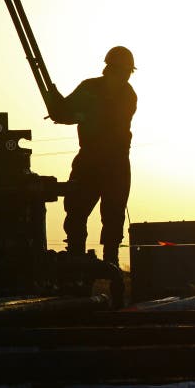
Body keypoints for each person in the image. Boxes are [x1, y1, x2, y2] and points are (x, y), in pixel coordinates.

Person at [48, 46, 137, 266]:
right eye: (124, 71)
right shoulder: (89, 88)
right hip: (90, 160)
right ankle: (77, 259)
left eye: (128, 72)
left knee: (113, 214)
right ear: (111, 69)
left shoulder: (127, 94)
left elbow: (104, 118)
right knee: (76, 210)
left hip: (114, 162)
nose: (126, 76)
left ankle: (111, 263)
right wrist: (56, 100)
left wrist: (78, 113)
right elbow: (65, 112)